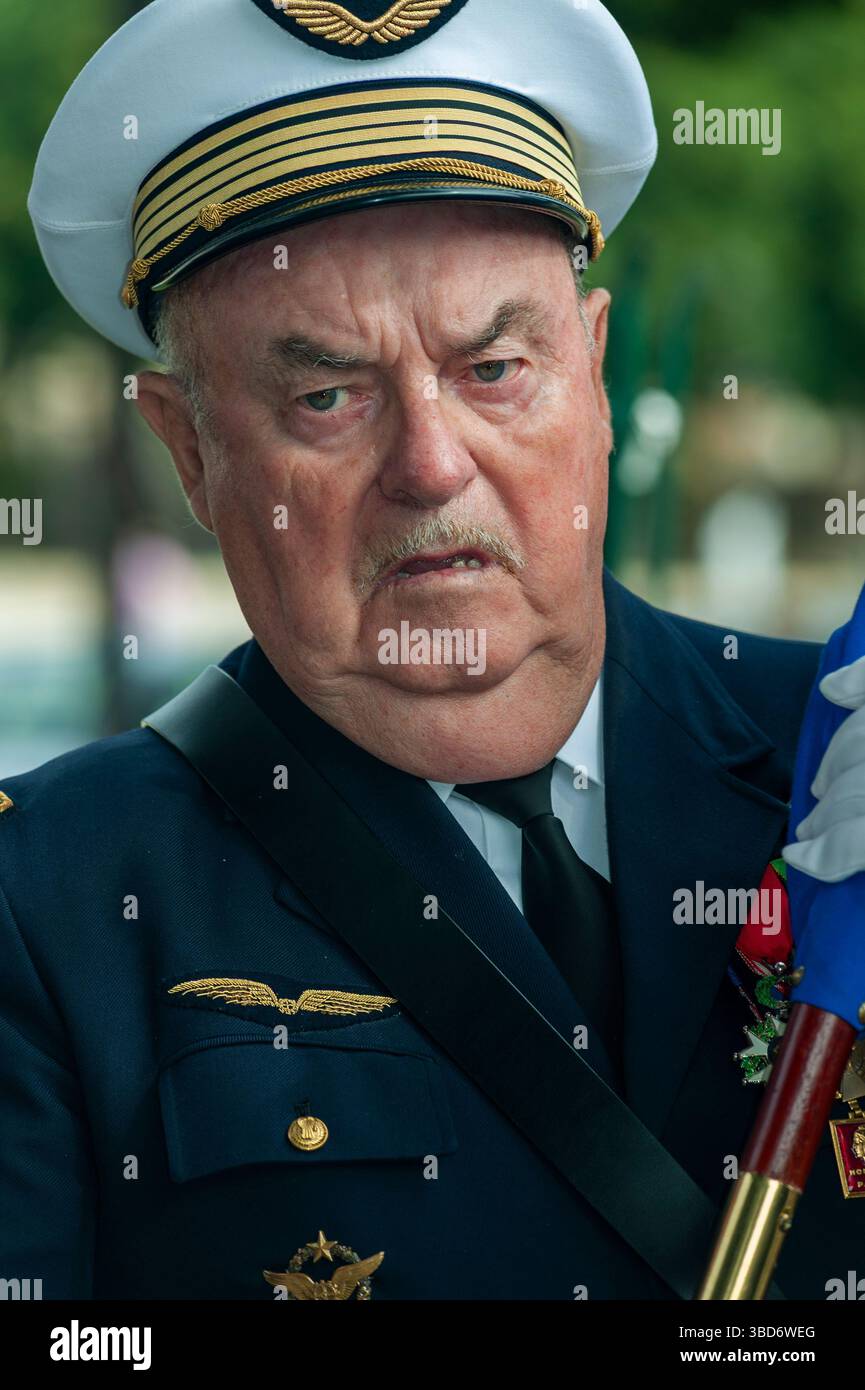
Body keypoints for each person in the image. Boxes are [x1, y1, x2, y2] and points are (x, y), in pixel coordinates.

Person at [2, 0, 861, 1301]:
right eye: (327, 394)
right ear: (188, 449)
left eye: (495, 367)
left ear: (595, 363)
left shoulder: (835, 756)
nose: (430, 463)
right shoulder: (44, 905)